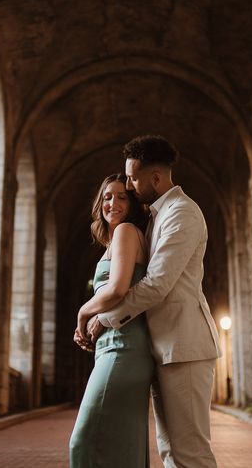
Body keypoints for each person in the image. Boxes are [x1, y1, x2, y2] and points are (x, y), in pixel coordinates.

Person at [83, 135, 222, 468]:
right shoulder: (157, 216)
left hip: (184, 346)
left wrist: (103, 319)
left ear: (155, 178)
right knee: (170, 451)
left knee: (190, 452)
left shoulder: (182, 213)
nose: (130, 186)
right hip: (163, 348)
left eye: (132, 178)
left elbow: (157, 284)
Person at [69, 173, 154, 468]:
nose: (113, 203)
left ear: (132, 203)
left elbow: (118, 288)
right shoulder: (115, 241)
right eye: (107, 196)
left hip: (124, 346)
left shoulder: (127, 232)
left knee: (84, 439)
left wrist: (83, 313)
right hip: (113, 345)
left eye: (121, 196)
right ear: (99, 203)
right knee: (121, 443)